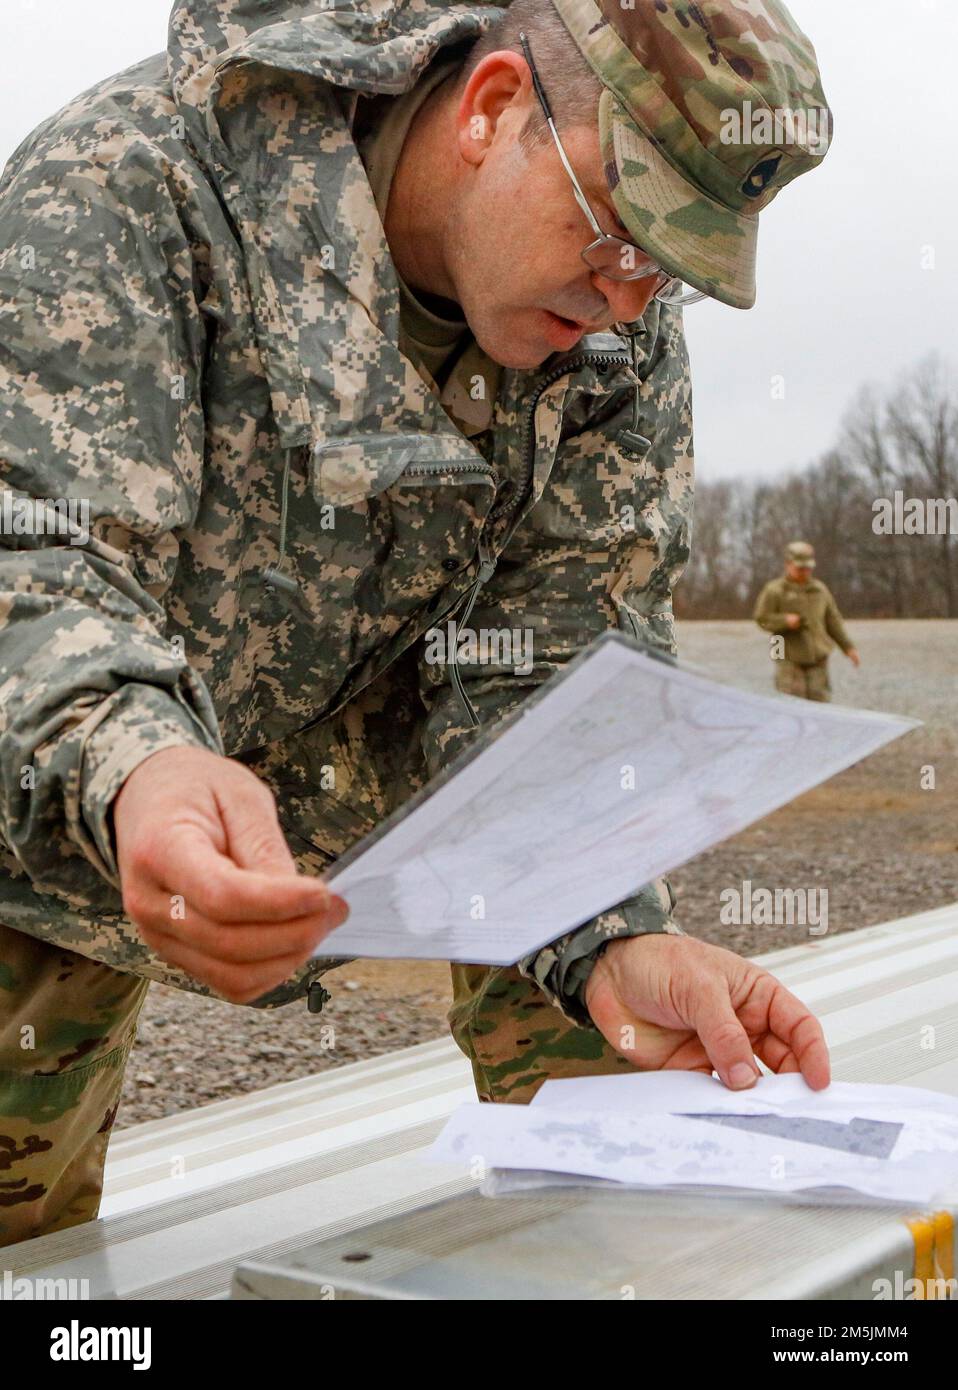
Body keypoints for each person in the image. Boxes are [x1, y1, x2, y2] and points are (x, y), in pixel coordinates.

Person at [0, 0, 834, 1246]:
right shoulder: (129, 188)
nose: (625, 296)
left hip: (386, 827)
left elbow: (560, 664)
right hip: (47, 819)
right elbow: (37, 555)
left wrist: (605, 933)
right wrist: (135, 769)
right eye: (620, 229)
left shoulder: (617, 332)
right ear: (494, 106)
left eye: (670, 263)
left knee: (626, 1159)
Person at [754, 542, 861, 701]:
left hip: (817, 658)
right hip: (786, 656)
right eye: (799, 568)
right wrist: (784, 621)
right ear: (788, 565)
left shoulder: (819, 589)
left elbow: (833, 621)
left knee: (819, 704)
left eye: (808, 568)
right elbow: (761, 619)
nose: (804, 572)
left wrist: (848, 647)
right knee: (792, 704)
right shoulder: (774, 590)